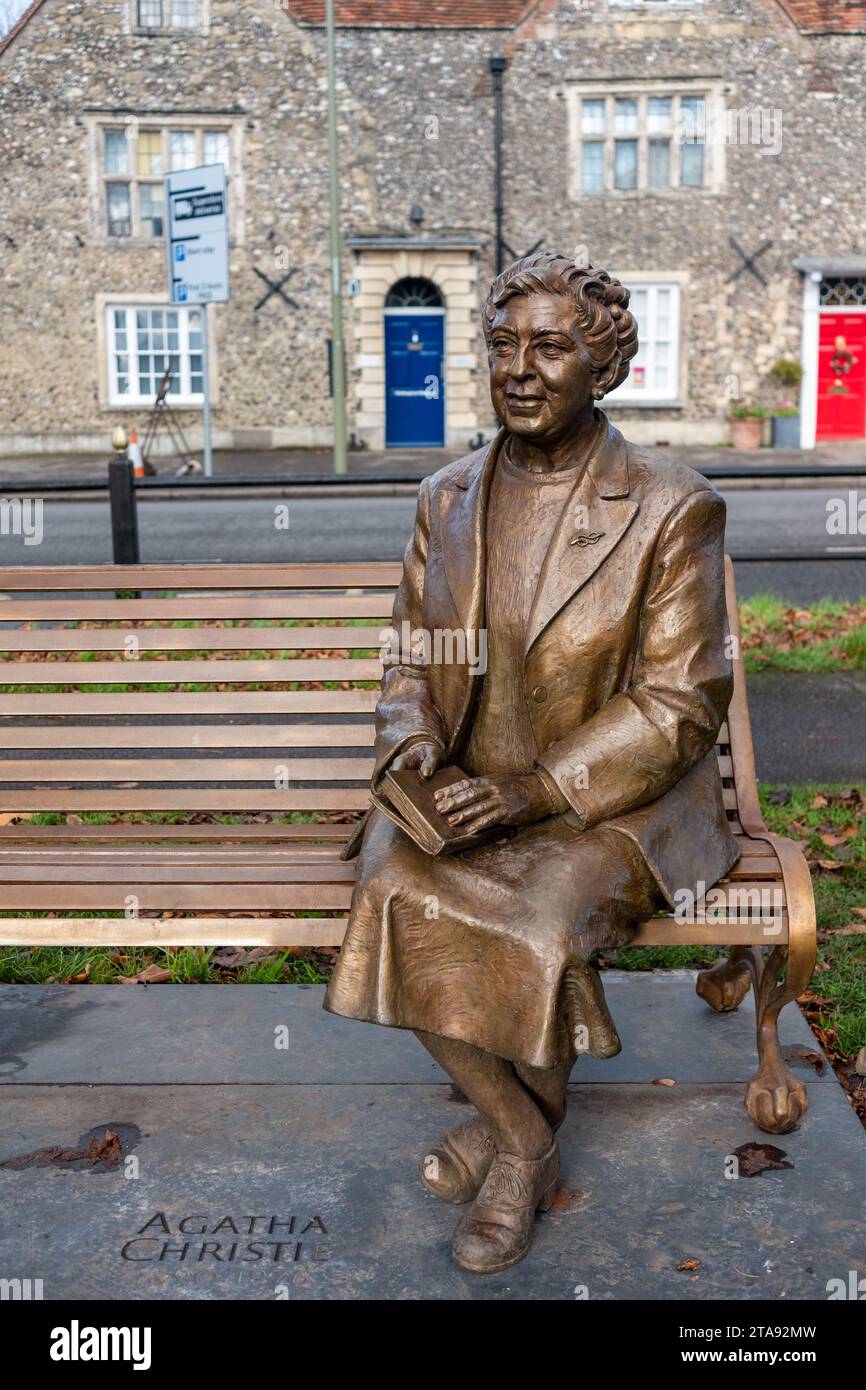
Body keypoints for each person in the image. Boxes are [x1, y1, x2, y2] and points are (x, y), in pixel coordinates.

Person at [324, 251, 740, 1276]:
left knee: (537, 920)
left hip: (607, 803)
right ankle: (523, 1139)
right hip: (461, 789)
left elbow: (678, 699)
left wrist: (534, 790)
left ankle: (504, 1147)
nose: (519, 368)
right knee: (387, 888)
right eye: (502, 345)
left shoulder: (668, 506)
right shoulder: (446, 496)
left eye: (550, 346)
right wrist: (415, 755)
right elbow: (412, 657)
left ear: (601, 367)